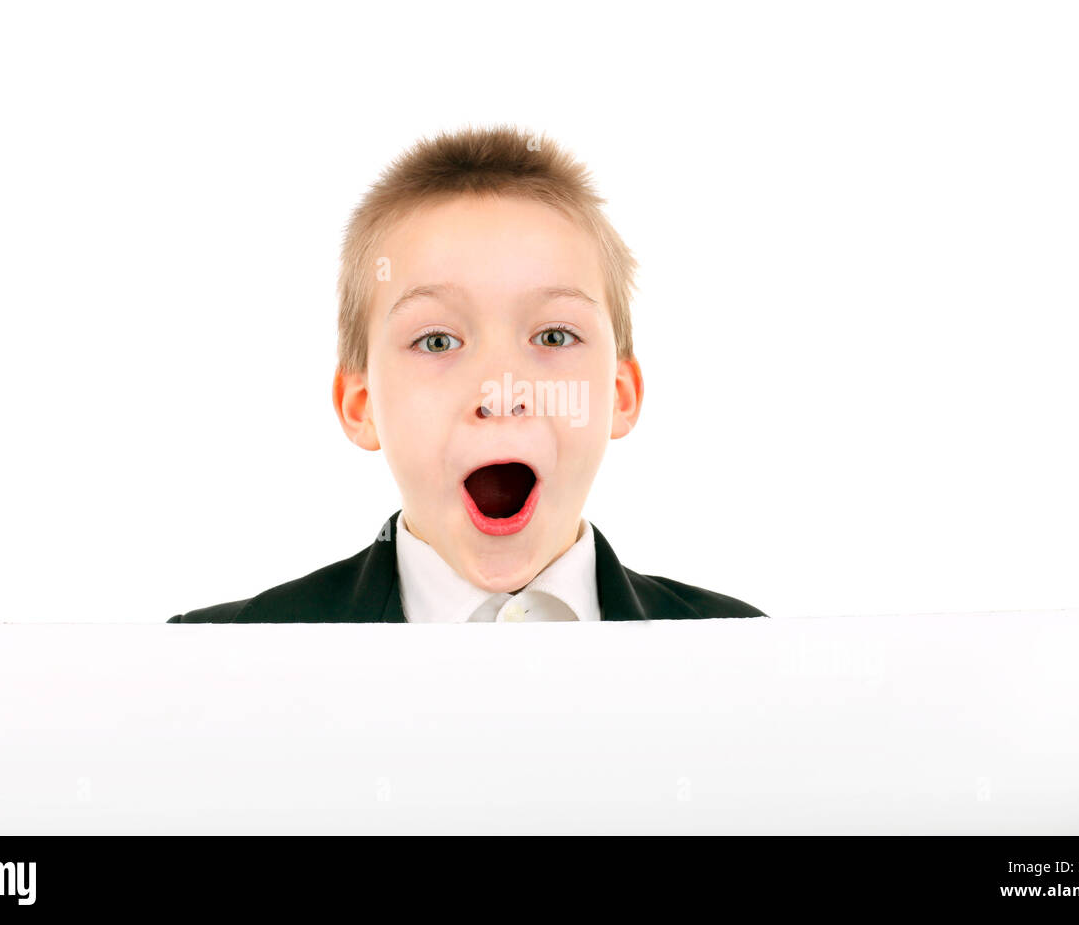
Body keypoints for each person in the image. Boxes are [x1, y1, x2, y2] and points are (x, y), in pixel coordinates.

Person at [168, 125, 766, 624]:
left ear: (619, 395)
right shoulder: (212, 657)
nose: (501, 391)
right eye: (437, 340)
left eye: (554, 336)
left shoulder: (749, 653)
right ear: (361, 403)